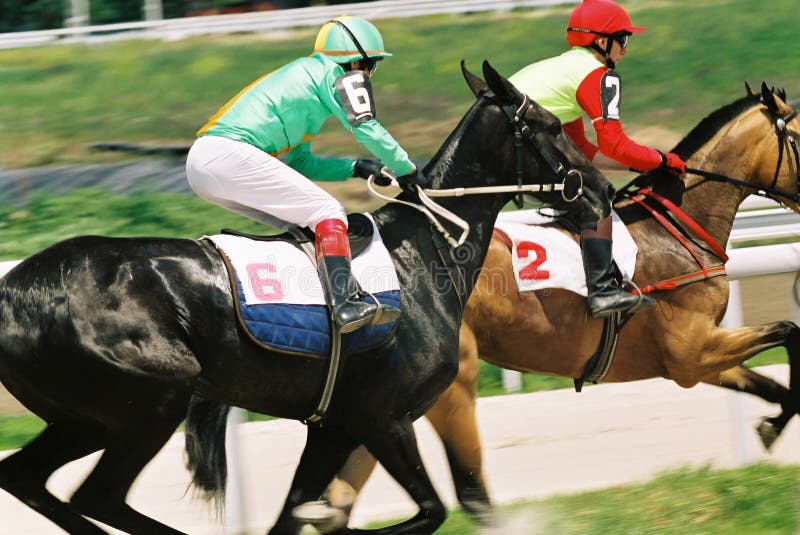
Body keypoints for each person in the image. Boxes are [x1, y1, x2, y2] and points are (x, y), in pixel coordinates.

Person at [186, 16, 428, 334]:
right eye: (372, 65)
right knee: (328, 211)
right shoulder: (338, 74)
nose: (370, 75)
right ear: (357, 59)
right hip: (226, 155)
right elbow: (367, 127)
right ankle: (344, 305)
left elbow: (301, 164)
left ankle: (310, 300)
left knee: (304, 225)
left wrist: (355, 167)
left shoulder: (307, 83)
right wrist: (406, 169)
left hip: (204, 166)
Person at [509, 0, 685, 318]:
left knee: (584, 176)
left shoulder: (561, 71)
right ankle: (602, 290)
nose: (625, 51)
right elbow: (614, 144)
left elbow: (583, 151)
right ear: (602, 41)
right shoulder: (598, 76)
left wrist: (638, 165)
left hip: (494, 141)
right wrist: (662, 160)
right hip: (514, 145)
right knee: (596, 193)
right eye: (624, 40)